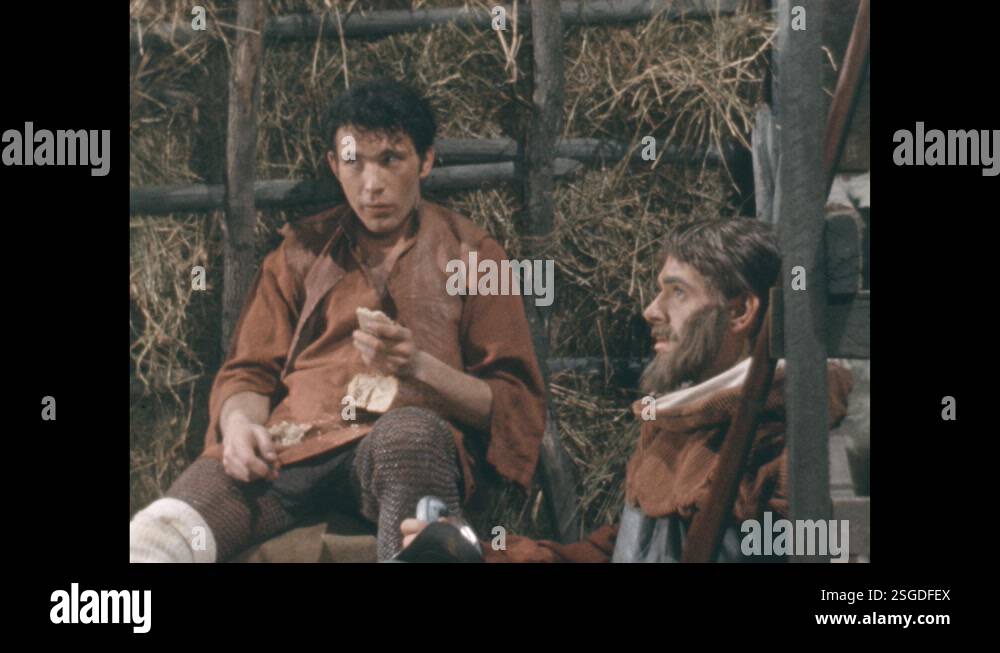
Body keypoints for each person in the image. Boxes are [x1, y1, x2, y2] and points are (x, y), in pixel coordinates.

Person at [130, 79, 547, 563]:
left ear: (426, 161)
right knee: (162, 534)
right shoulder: (300, 251)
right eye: (354, 162)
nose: (371, 184)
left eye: (391, 159)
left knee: (411, 436)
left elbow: (512, 406)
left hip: (399, 448)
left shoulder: (474, 256)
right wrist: (241, 424)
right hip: (292, 449)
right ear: (334, 165)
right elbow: (249, 372)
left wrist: (419, 368)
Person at [400, 218, 852, 562]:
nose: (651, 310)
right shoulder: (688, 420)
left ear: (740, 311)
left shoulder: (778, 445)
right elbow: (622, 552)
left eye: (677, 293)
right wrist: (481, 553)